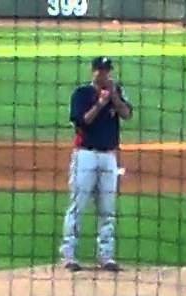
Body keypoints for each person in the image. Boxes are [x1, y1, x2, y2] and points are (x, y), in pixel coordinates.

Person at [61, 56, 132, 273]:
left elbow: (127, 114)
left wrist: (115, 99)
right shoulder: (81, 94)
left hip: (109, 157)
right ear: (93, 72)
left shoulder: (116, 90)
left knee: (107, 209)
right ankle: (69, 255)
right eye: (100, 70)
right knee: (77, 207)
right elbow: (82, 121)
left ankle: (106, 256)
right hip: (85, 155)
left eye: (107, 71)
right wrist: (101, 103)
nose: (104, 75)